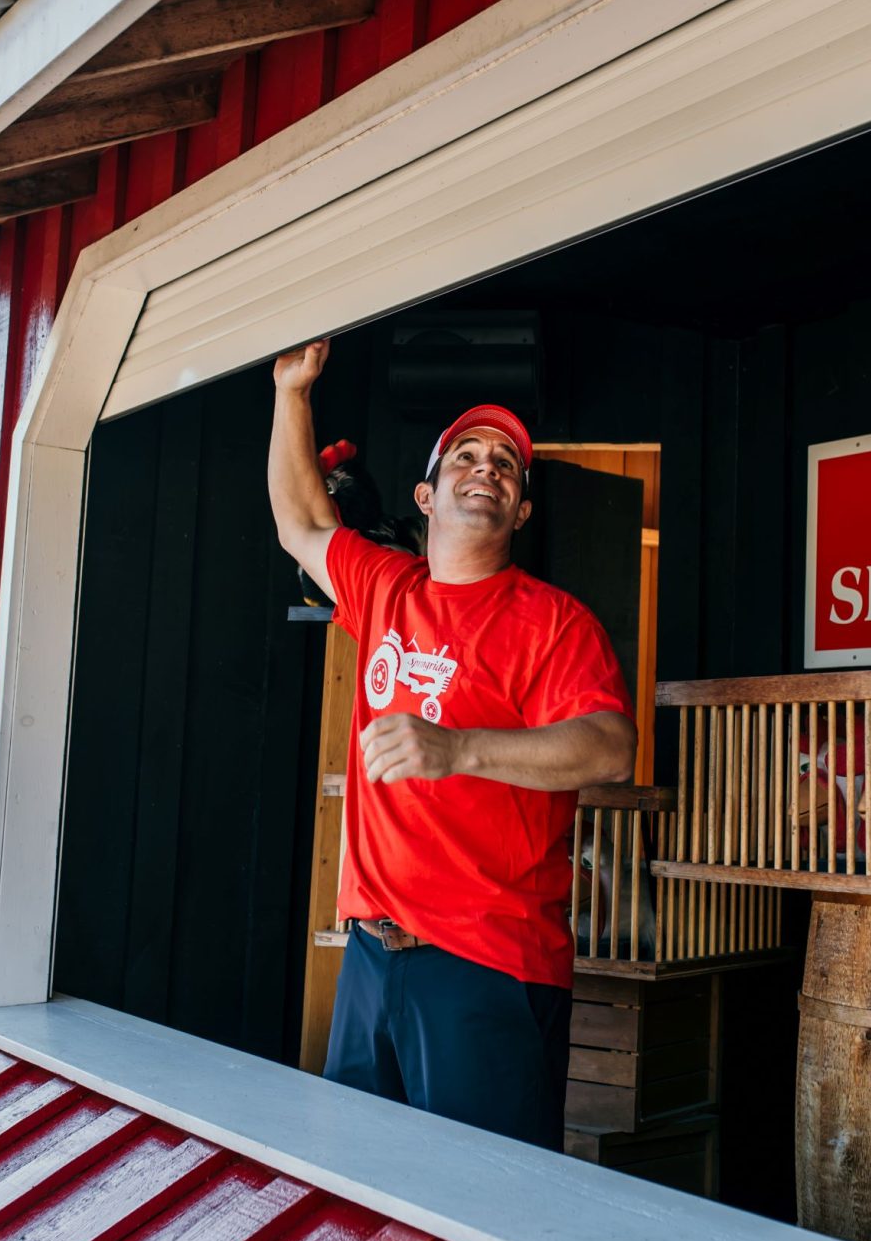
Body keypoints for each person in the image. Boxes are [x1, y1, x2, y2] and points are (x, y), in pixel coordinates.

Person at [269, 338, 636, 1149]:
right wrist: (292, 394)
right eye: (466, 455)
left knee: (487, 1221)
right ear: (425, 497)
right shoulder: (385, 587)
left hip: (488, 965)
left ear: (522, 511)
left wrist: (458, 749)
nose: (487, 467)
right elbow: (300, 521)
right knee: (360, 1197)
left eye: (507, 464)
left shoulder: (555, 621)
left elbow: (611, 747)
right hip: (370, 955)